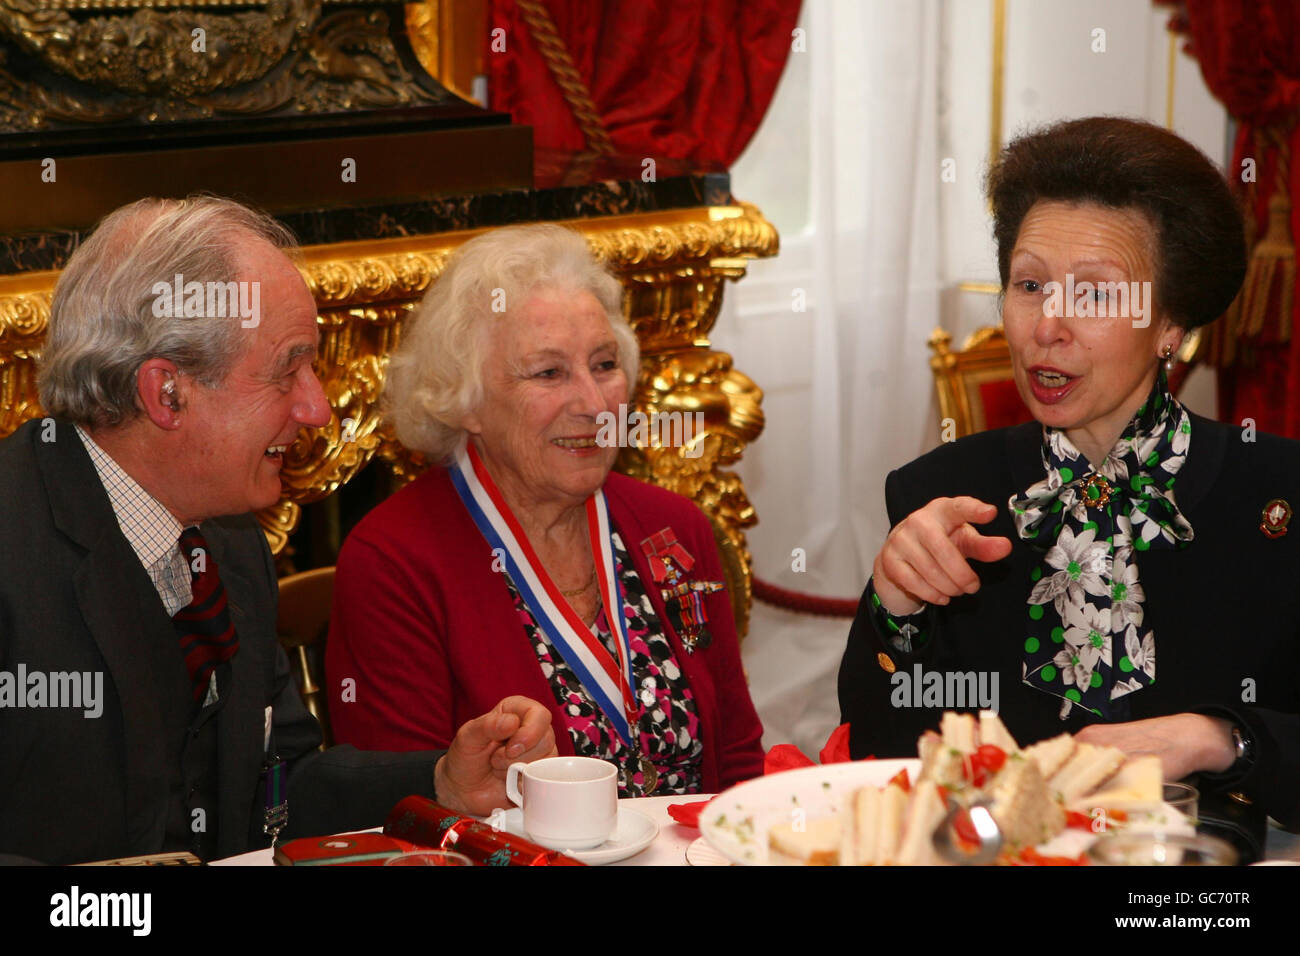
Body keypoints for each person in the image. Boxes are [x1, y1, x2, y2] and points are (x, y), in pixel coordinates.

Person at [0, 197, 556, 866]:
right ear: (166, 393)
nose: (317, 406)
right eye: (286, 370)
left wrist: (439, 782)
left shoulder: (229, 544)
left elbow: (279, 796)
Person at [838, 117, 1300, 837]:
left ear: (1172, 324)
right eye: (1029, 284)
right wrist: (897, 610)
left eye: (1095, 294)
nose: (1047, 325)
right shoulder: (946, 493)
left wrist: (1224, 739)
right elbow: (879, 752)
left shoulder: (1280, 497)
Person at [327, 223, 765, 796]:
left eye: (604, 365)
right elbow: (403, 812)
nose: (592, 402)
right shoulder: (394, 562)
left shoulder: (674, 528)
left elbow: (735, 757)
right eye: (549, 373)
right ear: (467, 399)